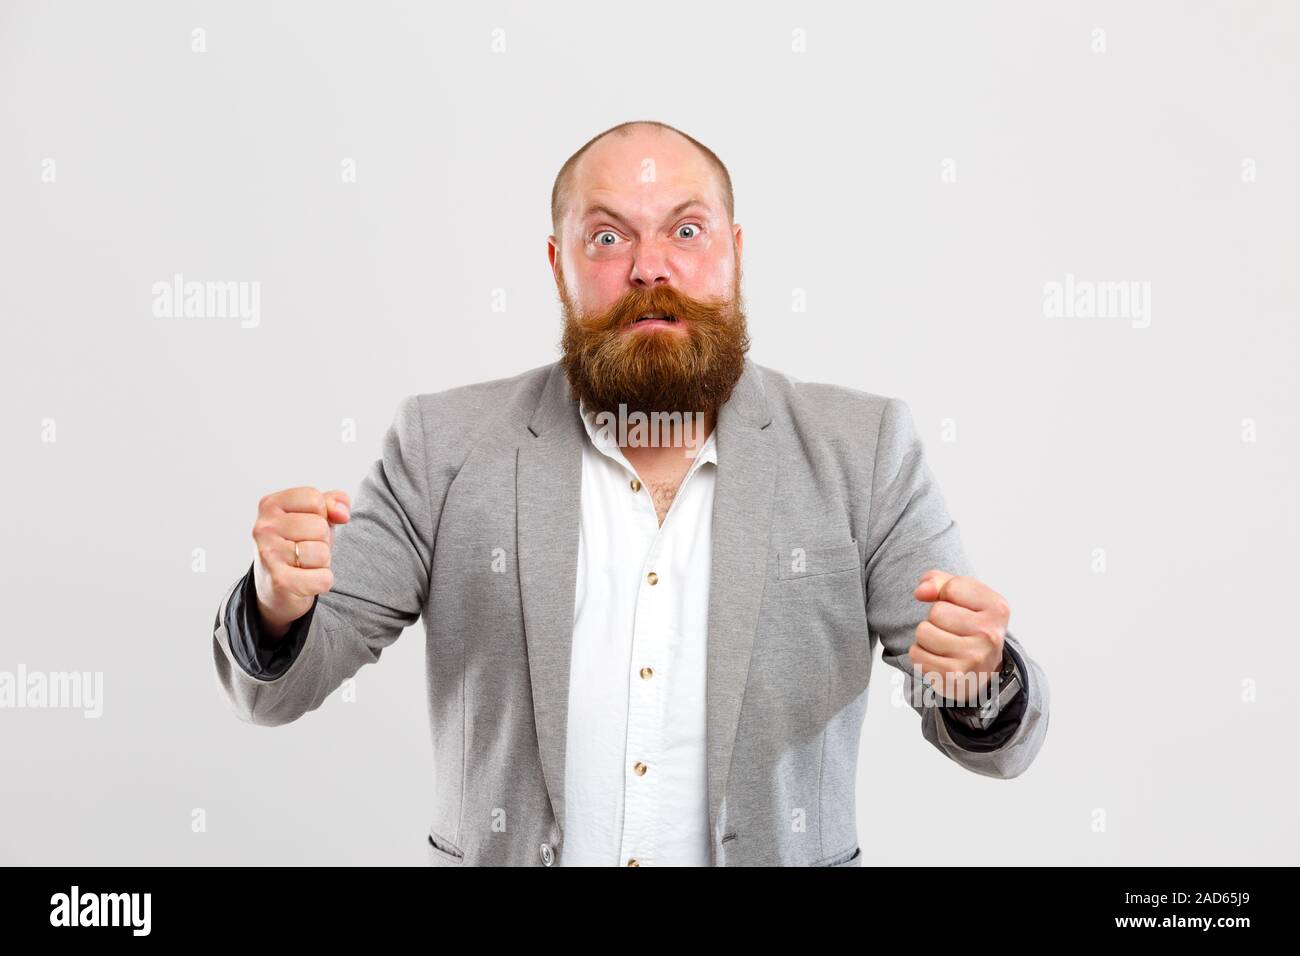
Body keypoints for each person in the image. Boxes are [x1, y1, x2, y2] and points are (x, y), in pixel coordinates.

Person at [212, 120, 1050, 867]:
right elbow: (277, 690)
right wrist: (277, 605)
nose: (651, 266)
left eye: (686, 230)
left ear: (736, 251)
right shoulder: (445, 445)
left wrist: (978, 679)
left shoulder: (862, 449)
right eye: (607, 238)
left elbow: (995, 743)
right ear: (558, 266)